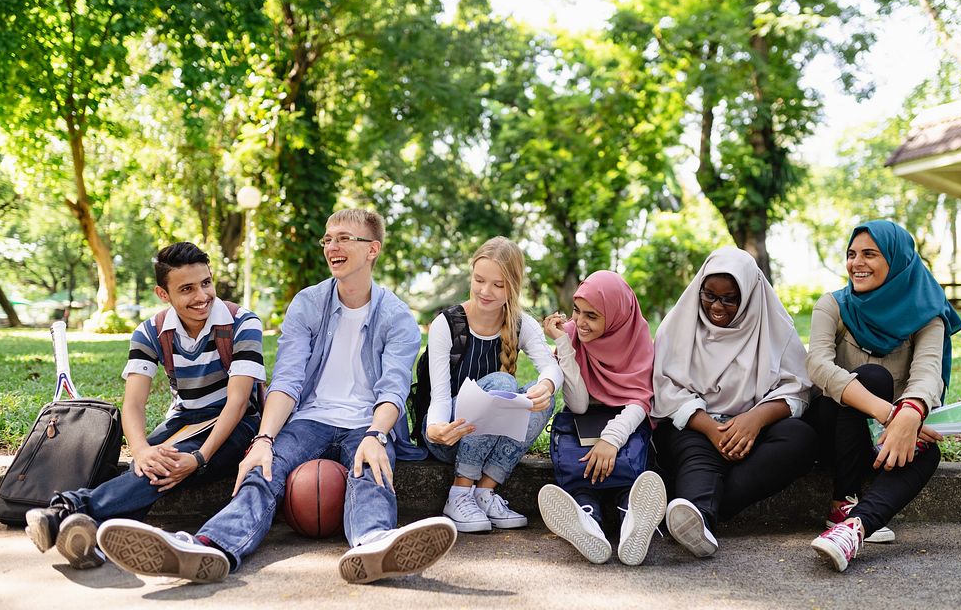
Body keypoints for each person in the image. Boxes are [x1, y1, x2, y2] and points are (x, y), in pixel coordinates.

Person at [95, 209, 457, 584]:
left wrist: (376, 435)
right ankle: (209, 546)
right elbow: (287, 382)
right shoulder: (308, 303)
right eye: (328, 239)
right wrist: (264, 439)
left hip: (367, 424)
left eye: (344, 238)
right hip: (308, 419)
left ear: (372, 250)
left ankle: (374, 545)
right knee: (262, 470)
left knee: (372, 471)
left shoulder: (397, 317)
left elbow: (393, 388)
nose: (332, 246)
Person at [25, 242, 266, 570]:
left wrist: (198, 458)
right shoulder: (150, 332)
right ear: (163, 294)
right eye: (187, 289)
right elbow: (134, 403)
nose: (202, 296)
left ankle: (66, 512)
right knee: (149, 465)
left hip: (237, 424)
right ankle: (88, 533)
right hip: (185, 419)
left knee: (165, 466)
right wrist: (139, 449)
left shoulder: (242, 322)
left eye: (206, 283)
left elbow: (238, 403)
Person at [805, 220, 961, 572]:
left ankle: (852, 528)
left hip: (882, 442)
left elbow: (927, 374)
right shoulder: (833, 305)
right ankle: (842, 500)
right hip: (830, 430)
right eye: (851, 254)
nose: (856, 262)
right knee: (871, 378)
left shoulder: (927, 315)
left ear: (897, 260)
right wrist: (892, 414)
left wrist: (912, 410)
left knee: (928, 451)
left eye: (870, 254)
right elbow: (818, 366)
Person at [652, 246, 816, 558]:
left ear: (751, 296)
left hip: (753, 428)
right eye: (709, 295)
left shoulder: (775, 327)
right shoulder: (677, 325)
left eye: (730, 298)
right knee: (696, 456)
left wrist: (754, 420)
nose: (717, 306)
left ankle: (694, 513)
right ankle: (701, 518)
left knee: (800, 437)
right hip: (695, 426)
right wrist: (712, 429)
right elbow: (663, 388)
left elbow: (797, 388)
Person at [423, 237, 562, 532]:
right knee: (503, 381)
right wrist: (435, 428)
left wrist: (547, 385)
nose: (485, 291)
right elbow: (440, 396)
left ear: (513, 286)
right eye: (479, 280)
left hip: (490, 438)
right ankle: (460, 493)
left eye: (498, 285)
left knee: (541, 399)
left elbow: (550, 367)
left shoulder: (522, 323)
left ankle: (485, 491)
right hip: (448, 434)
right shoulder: (447, 324)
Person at [538, 270, 666, 565]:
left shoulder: (637, 340)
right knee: (581, 476)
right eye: (576, 311)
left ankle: (631, 522)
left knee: (628, 475)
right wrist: (565, 346)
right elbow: (579, 404)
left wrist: (610, 440)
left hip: (625, 424)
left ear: (616, 315)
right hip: (583, 424)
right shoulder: (571, 335)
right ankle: (587, 522)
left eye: (592, 316)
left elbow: (639, 402)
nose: (580, 322)